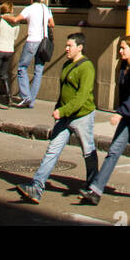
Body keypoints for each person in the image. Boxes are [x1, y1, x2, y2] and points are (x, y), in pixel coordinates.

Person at [16, 33, 98, 203]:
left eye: (70, 46)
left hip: (82, 116)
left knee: (88, 150)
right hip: (64, 117)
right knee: (52, 150)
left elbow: (82, 97)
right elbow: (63, 92)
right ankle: (36, 187)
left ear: (80, 47)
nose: (66, 49)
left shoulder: (87, 67)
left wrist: (63, 111)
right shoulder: (67, 64)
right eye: (66, 45)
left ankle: (94, 186)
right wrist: (58, 110)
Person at [80, 36, 130, 206]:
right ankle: (96, 190)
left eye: (123, 48)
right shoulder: (124, 67)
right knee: (114, 151)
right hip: (128, 117)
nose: (120, 51)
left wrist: (120, 112)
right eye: (120, 48)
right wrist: (122, 112)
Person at [5, 0, 54, 107]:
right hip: (43, 42)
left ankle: (26, 97)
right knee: (38, 71)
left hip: (32, 41)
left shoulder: (29, 8)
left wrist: (4, 17)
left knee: (22, 68)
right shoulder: (46, 8)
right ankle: (31, 101)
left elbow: (16, 19)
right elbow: (52, 24)